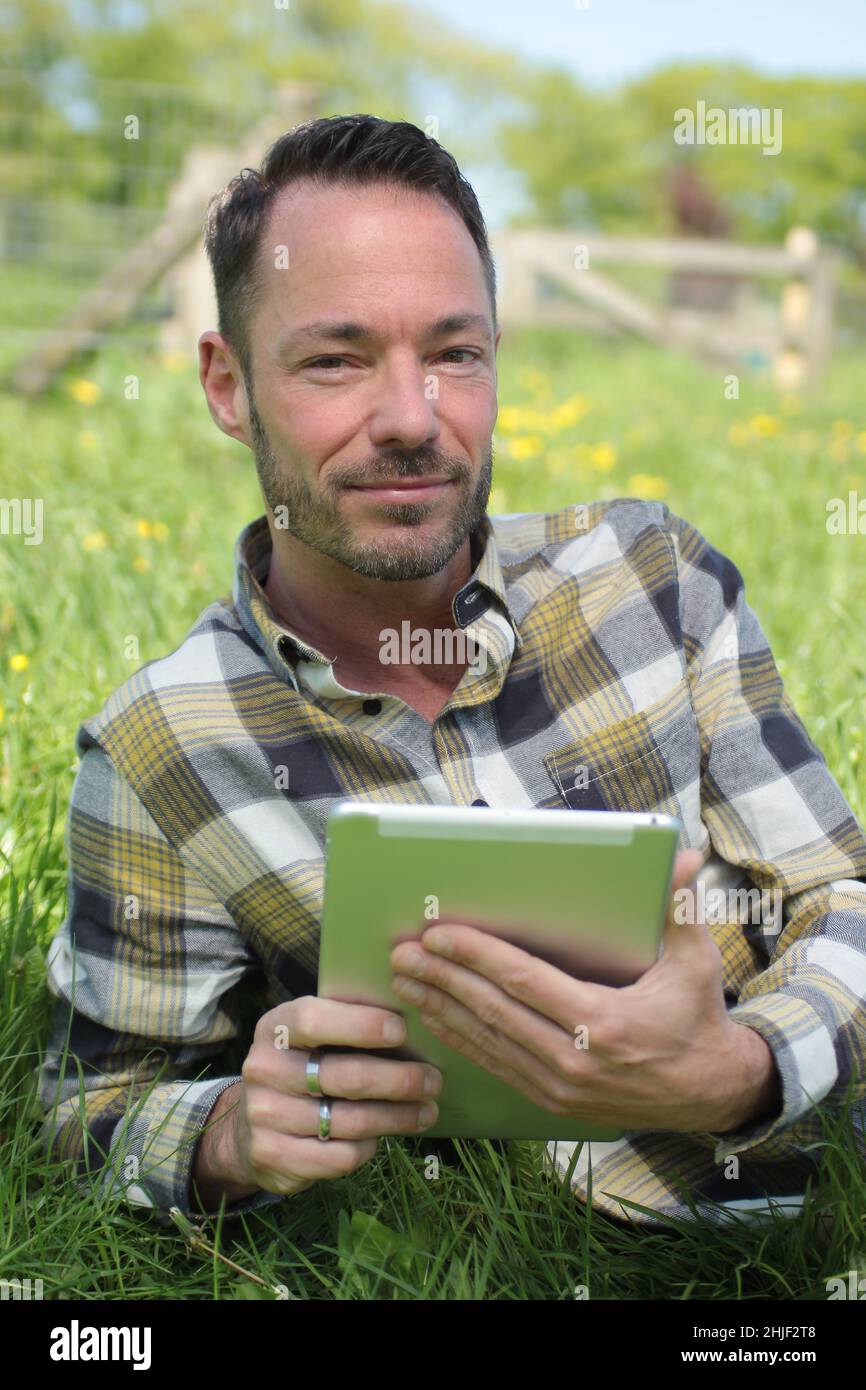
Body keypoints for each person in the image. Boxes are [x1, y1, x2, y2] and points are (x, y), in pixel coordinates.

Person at [39, 115, 866, 1232]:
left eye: (453, 353)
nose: (410, 419)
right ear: (227, 387)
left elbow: (840, 898)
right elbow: (95, 1104)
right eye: (334, 358)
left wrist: (739, 1070)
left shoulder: (650, 582)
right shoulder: (160, 749)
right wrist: (230, 1136)